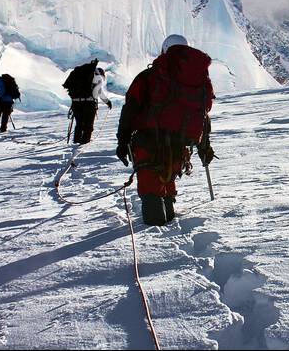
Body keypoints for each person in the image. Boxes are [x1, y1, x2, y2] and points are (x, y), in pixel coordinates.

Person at [116, 34, 215, 226]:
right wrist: (205, 148)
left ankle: (157, 240)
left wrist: (122, 141)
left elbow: (131, 108)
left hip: (149, 141)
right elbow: (202, 114)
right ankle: (168, 225)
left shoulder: (150, 76)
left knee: (151, 187)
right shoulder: (199, 81)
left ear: (165, 50)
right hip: (179, 146)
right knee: (167, 181)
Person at [62, 58, 113, 145]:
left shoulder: (79, 75)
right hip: (88, 104)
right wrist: (107, 102)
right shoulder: (97, 76)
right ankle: (85, 143)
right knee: (88, 126)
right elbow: (98, 92)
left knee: (79, 124)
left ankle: (76, 142)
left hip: (76, 104)